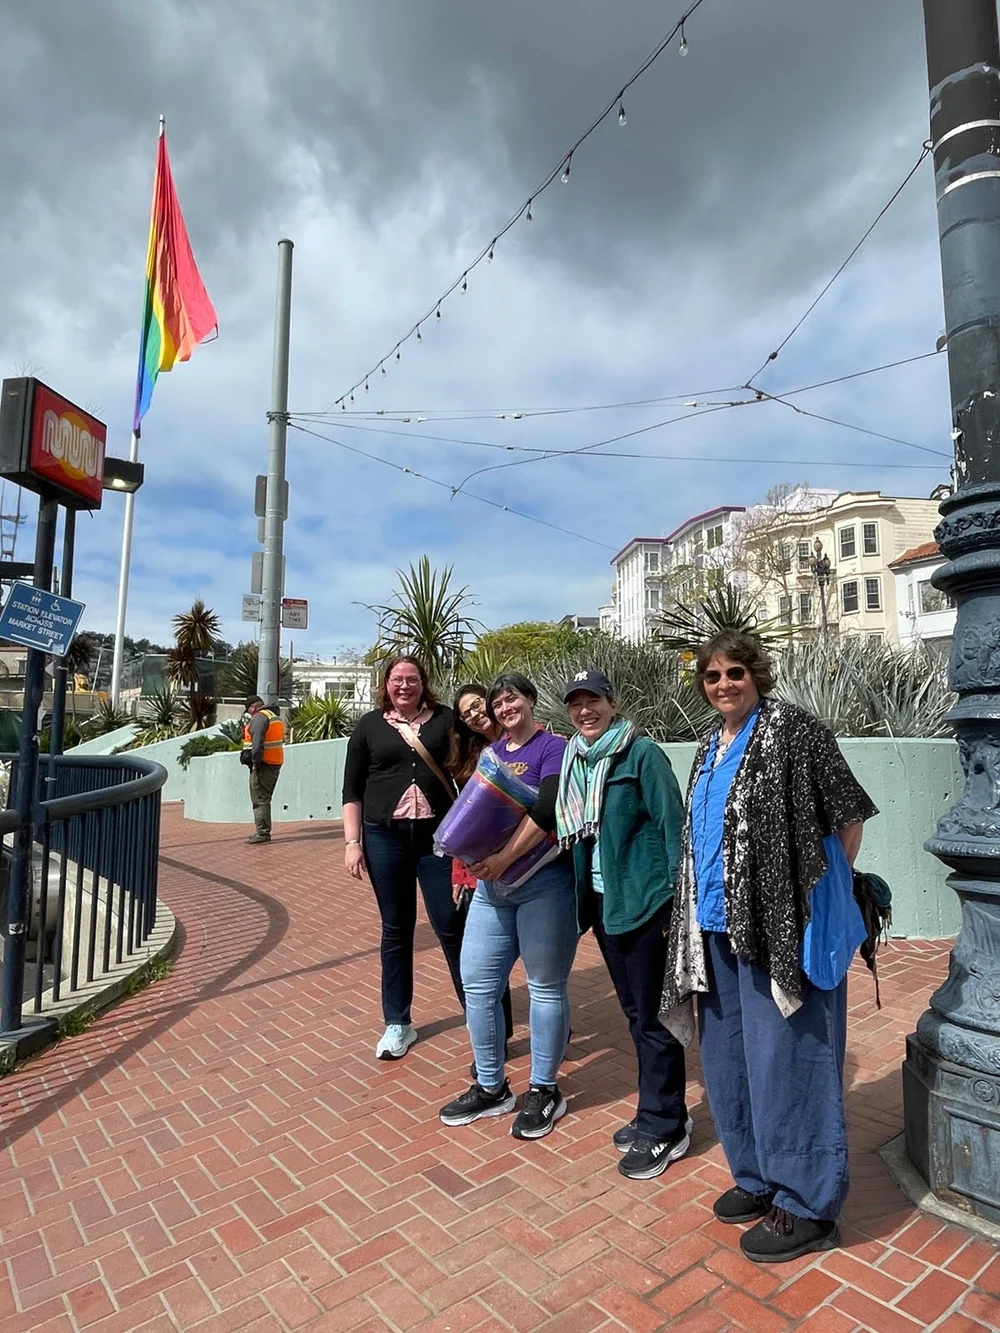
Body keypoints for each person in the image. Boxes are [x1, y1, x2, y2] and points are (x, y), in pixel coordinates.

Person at [661, 630, 878, 1264]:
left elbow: (848, 817)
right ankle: (758, 1177)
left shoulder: (796, 731)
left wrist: (811, 898)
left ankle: (807, 1204)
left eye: (735, 672)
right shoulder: (708, 748)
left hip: (778, 929)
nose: (724, 684)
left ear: (757, 674)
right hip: (713, 927)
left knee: (789, 1058)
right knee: (730, 1057)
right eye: (712, 676)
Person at [556, 669, 690, 1180]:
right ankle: (659, 1107)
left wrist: (675, 906)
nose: (584, 711)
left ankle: (665, 1125)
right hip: (605, 906)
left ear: (613, 704)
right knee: (636, 1013)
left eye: (593, 700)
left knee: (655, 1017)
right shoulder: (578, 761)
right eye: (576, 704)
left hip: (645, 902)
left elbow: (674, 826)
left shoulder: (641, 755)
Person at [439, 671, 577, 1140]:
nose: (505, 708)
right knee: (478, 984)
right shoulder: (492, 755)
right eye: (498, 703)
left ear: (530, 700)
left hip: (544, 883)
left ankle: (544, 1089)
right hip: (493, 891)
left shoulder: (553, 748)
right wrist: (467, 858)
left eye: (512, 698)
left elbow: (548, 808)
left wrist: (502, 859)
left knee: (545, 987)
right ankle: (491, 1085)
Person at [342, 656, 463, 1060]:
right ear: (386, 684)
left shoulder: (445, 720)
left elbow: (471, 765)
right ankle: (397, 1022)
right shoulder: (369, 726)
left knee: (451, 924)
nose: (405, 685)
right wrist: (352, 842)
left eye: (412, 679)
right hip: (384, 836)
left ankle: (479, 1011)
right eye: (397, 679)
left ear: (423, 683)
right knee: (396, 928)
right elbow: (351, 790)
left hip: (437, 838)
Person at [448, 685, 515, 1067]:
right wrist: (460, 873)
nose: (475, 714)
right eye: (466, 713)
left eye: (477, 705)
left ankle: (556, 1027)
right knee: (490, 961)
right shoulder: (472, 757)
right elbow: (465, 819)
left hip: (530, 864)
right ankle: (498, 1039)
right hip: (484, 871)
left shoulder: (526, 741)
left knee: (542, 967)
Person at [242, 695, 284, 845]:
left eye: (248, 710)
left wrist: (255, 763)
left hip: (263, 764)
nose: (249, 713)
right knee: (264, 797)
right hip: (274, 761)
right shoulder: (273, 716)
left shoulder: (260, 718)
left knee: (260, 799)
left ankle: (262, 833)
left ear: (253, 707)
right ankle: (263, 831)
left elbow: (257, 743)